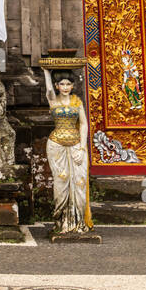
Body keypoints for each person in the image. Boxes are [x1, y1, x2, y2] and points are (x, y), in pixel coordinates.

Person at [42, 67, 94, 240]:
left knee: (80, 182)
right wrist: (46, 73)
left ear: (72, 85)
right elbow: (48, 90)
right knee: (62, 180)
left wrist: (81, 148)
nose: (65, 87)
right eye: (62, 84)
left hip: (75, 145)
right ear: (57, 86)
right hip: (56, 145)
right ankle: (62, 221)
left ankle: (78, 223)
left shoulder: (77, 102)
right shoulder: (53, 101)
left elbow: (84, 124)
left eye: (68, 84)